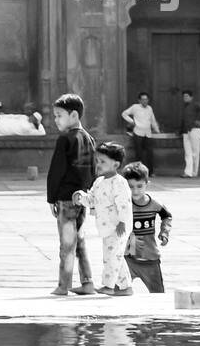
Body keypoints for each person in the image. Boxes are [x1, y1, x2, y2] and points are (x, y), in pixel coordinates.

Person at [47, 92, 96, 297]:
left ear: (74, 115)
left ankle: (63, 285)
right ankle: (87, 283)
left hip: (67, 199)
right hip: (82, 199)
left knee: (67, 244)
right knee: (79, 242)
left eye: (59, 115)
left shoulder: (65, 139)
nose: (56, 120)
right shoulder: (89, 139)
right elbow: (93, 169)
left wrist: (51, 198)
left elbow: (56, 171)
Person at [75, 141, 132, 296]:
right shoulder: (99, 182)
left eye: (103, 162)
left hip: (118, 227)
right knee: (116, 256)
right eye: (98, 161)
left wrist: (122, 222)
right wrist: (81, 197)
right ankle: (126, 287)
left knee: (111, 257)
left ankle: (109, 286)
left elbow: (124, 205)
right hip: (106, 227)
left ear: (115, 164)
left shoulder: (119, 183)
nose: (98, 164)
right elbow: (92, 200)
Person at [122, 161, 172, 293]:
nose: (135, 191)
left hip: (150, 259)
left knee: (158, 294)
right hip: (128, 258)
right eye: (131, 187)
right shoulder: (124, 204)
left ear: (146, 184)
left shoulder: (154, 204)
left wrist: (164, 232)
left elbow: (167, 216)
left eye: (139, 186)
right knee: (119, 291)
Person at [120, 91, 161, 173]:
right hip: (138, 132)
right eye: (143, 99)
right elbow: (124, 114)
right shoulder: (135, 107)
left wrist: (157, 130)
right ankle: (138, 172)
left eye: (146, 99)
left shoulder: (149, 108)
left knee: (150, 153)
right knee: (139, 153)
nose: (145, 101)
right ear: (139, 100)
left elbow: (152, 120)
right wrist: (132, 121)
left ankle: (150, 172)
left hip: (148, 133)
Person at [178, 89, 200, 178]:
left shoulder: (195, 105)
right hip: (186, 131)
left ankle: (194, 172)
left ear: (191, 97)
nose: (185, 98)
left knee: (195, 153)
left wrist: (197, 120)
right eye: (184, 96)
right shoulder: (184, 107)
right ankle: (188, 172)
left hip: (194, 130)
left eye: (187, 96)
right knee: (188, 153)